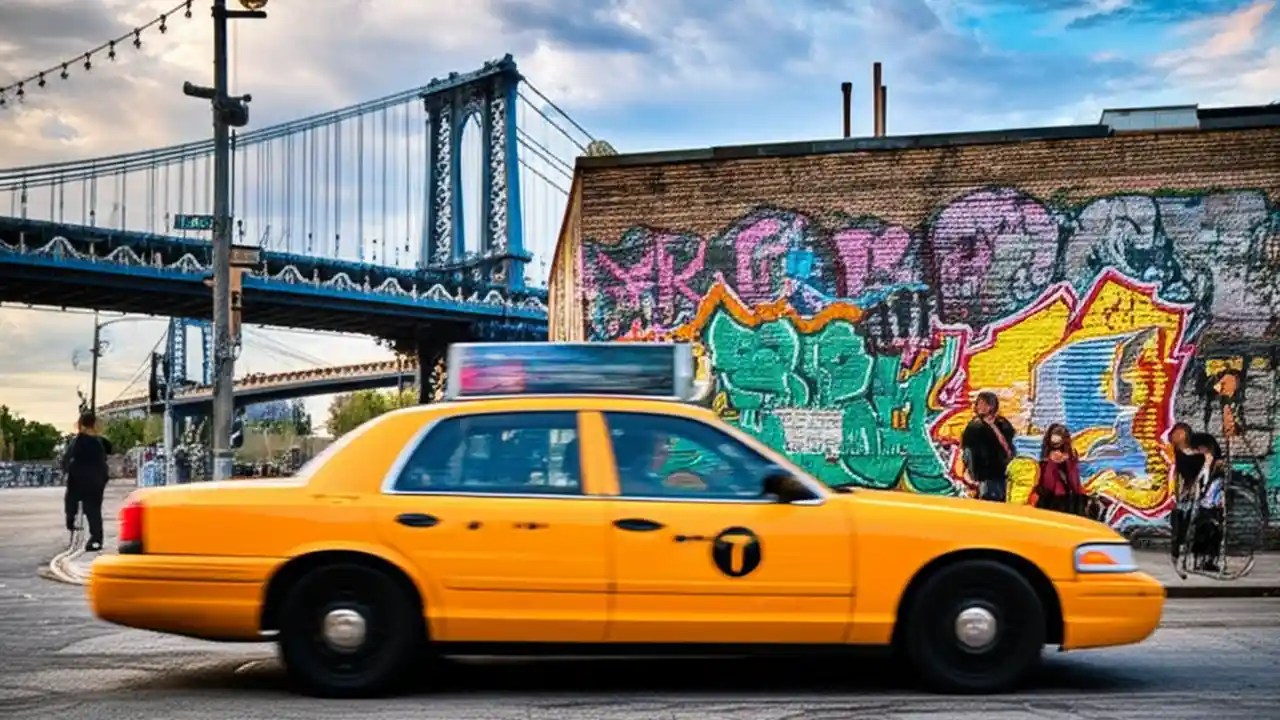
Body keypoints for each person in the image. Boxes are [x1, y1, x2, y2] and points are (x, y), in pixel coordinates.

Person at [1168, 422, 1222, 570]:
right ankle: (1189, 555)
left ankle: (1207, 559)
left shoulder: (1203, 443)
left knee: (1208, 522)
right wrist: (1185, 490)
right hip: (1197, 486)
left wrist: (1203, 486)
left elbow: (1211, 464)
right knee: (1185, 517)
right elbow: (1185, 475)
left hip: (1211, 485)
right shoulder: (1179, 453)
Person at [59, 411, 113, 552]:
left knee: (71, 501)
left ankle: (71, 522)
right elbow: (109, 449)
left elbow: (66, 459)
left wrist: (66, 471)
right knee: (93, 510)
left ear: (80, 424)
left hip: (78, 479)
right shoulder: (100, 442)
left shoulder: (77, 441)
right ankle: (96, 539)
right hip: (96, 481)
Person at [960, 390, 1017, 502]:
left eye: (985, 404)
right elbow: (967, 449)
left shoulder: (1002, 423)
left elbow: (1007, 444)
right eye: (979, 403)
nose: (981, 407)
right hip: (982, 475)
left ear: (992, 406)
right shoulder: (974, 426)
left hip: (999, 472)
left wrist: (992, 426)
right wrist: (969, 472)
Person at [1034, 424, 1086, 514]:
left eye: (1060, 447)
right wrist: (1053, 462)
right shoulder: (1046, 461)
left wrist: (1068, 462)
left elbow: (1074, 484)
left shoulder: (1069, 459)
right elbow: (1048, 485)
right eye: (1054, 447)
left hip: (1063, 501)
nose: (1057, 452)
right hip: (1052, 501)